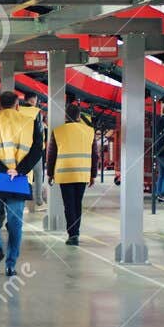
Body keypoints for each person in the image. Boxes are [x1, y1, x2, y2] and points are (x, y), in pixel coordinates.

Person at [0, 90, 43, 277]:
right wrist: (19, 170)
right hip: (19, 180)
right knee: (15, 223)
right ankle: (10, 265)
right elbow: (37, 151)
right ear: (17, 105)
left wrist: (2, 171)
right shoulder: (30, 122)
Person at [48, 102, 96, 246]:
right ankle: (76, 232)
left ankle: (73, 234)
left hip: (64, 174)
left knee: (69, 205)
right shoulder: (89, 131)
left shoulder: (58, 131)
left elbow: (51, 154)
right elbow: (95, 155)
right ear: (79, 116)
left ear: (65, 116)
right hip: (82, 174)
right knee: (77, 203)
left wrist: (50, 173)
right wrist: (93, 174)